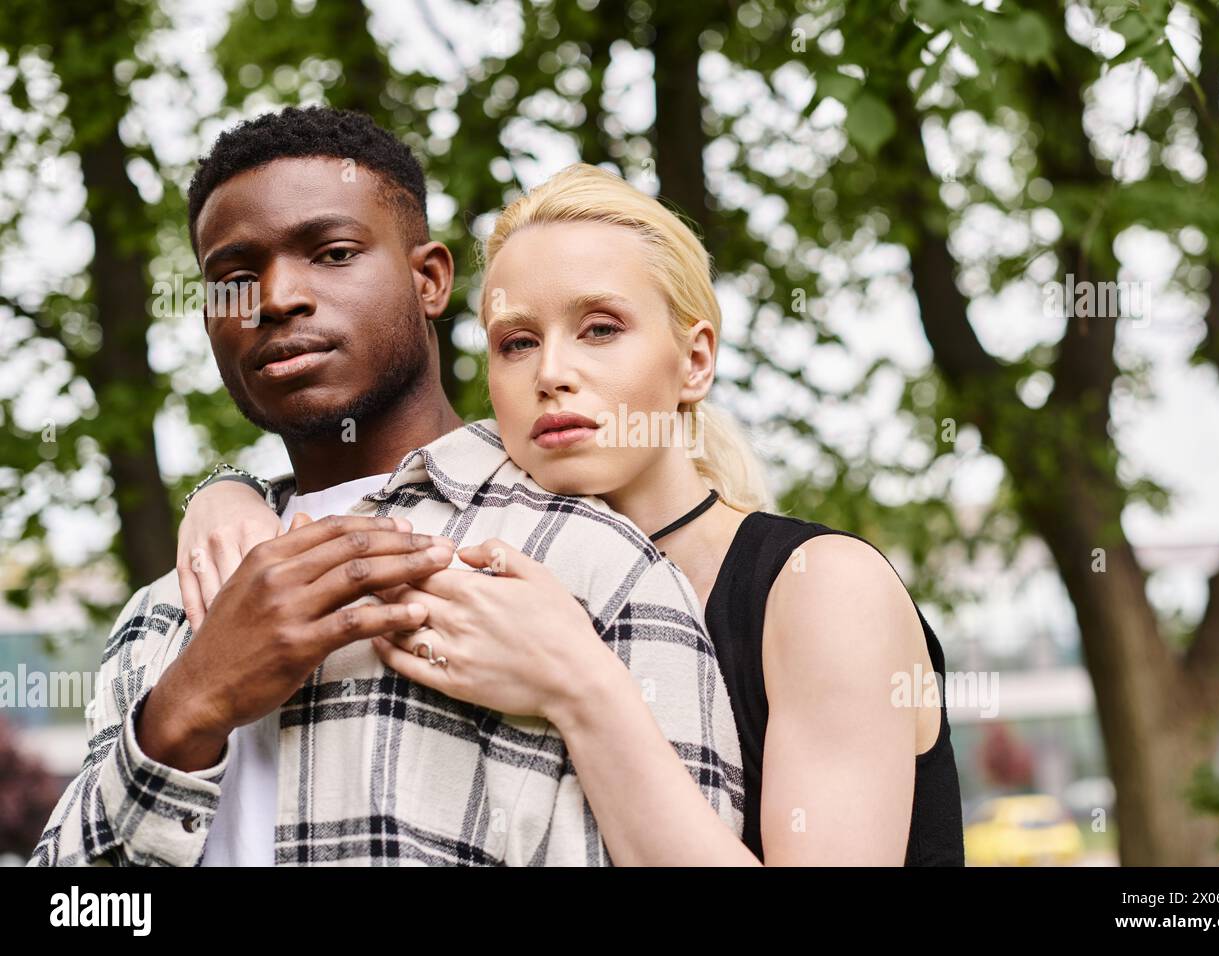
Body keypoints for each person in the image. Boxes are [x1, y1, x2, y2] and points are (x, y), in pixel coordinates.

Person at [181, 162, 965, 865]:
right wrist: (227, 492)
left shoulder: (820, 588)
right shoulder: (504, 561)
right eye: (517, 342)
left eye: (600, 329)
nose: (553, 373)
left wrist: (582, 689)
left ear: (695, 359)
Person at [28, 107, 743, 867]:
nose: (274, 298)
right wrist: (183, 713)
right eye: (234, 280)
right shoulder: (160, 614)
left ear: (429, 279)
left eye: (333, 253)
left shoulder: (595, 563)